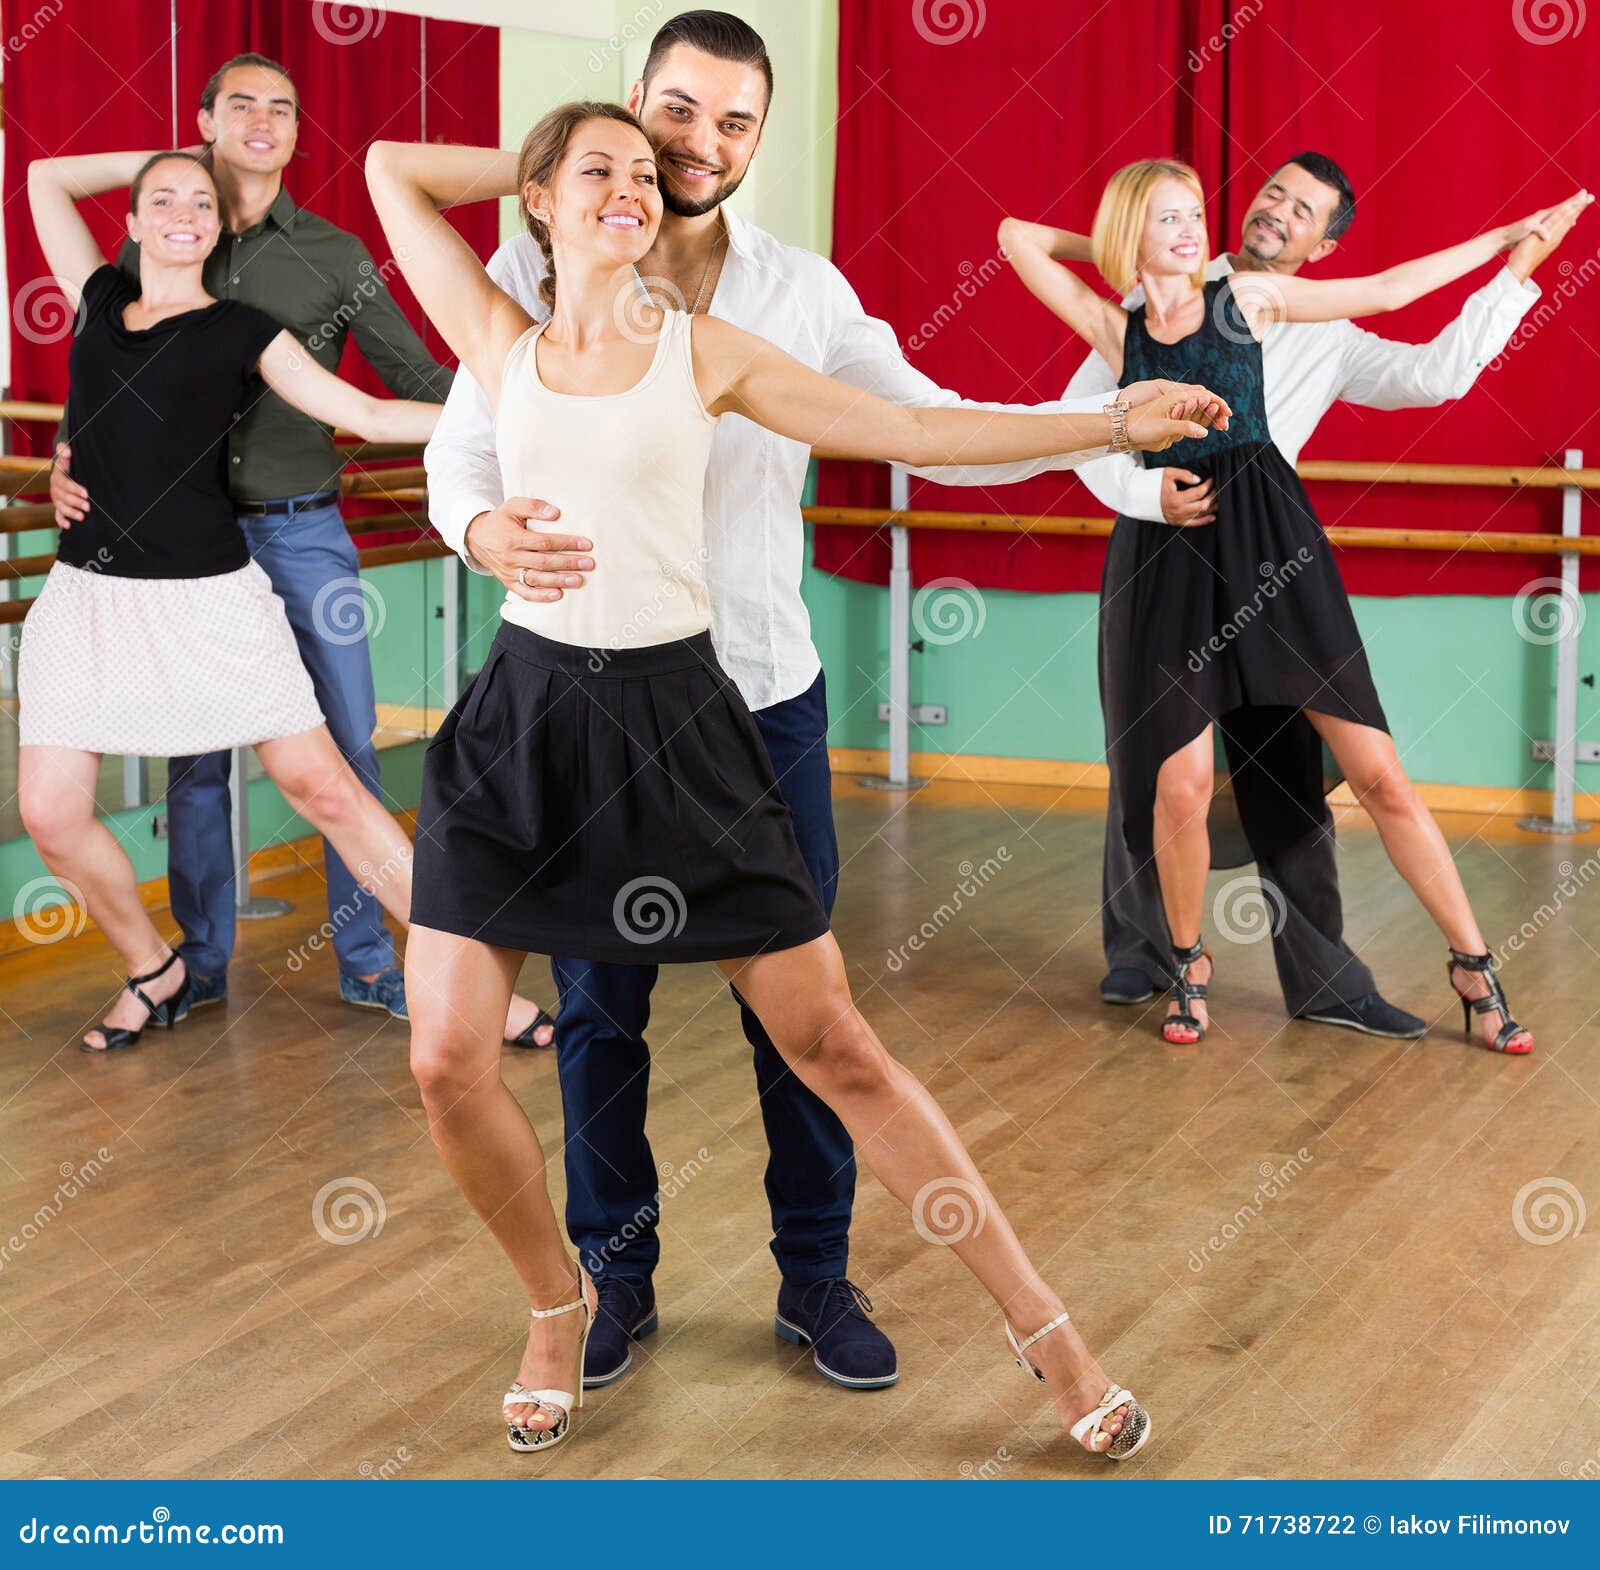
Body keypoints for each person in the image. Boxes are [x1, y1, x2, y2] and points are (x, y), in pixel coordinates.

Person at [367, 102, 1228, 1456]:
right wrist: (560, 155)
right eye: (598, 172)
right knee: (444, 1058)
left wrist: (1111, 419)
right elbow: (387, 169)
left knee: (834, 1047)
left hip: (677, 724)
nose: (632, 188)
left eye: (646, 174)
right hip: (521, 727)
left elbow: (909, 429)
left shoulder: (704, 350)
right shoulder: (501, 342)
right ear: (534, 196)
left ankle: (1049, 1333)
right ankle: (555, 1298)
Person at [1000, 160, 1590, 1053]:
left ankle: (1411, 973)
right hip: (1164, 538)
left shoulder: (1268, 305)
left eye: (1303, 210)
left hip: (1271, 546)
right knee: (1163, 775)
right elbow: (1061, 371)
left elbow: (1405, 313)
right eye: (1272, 192)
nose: (1275, 211)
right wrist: (1129, 248)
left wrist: (1510, 251)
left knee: (1344, 771)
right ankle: (1163, 959)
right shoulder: (1122, 321)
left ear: (1323, 244)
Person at [44, 52, 554, 1047]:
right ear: (201, 126)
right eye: (240, 105)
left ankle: (375, 962)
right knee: (194, 768)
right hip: (163, 560)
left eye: (281, 107)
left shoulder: (327, 257)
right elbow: (101, 371)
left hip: (291, 532)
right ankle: (193, 963)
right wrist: (72, 452)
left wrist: (520, 421)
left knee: (340, 758)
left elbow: (391, 390)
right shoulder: (139, 265)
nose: (262, 121)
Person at [20, 149, 452, 1052]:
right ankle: (155, 968)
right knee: (50, 813)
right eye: (162, 200)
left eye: (200, 203)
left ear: (218, 227)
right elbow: (45, 178)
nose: (183, 213)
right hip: (87, 597)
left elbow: (366, 415)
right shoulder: (98, 300)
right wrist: (187, 153)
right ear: (132, 222)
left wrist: (512, 417)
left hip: (212, 599)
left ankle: (461, 978)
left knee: (326, 789)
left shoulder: (242, 329)